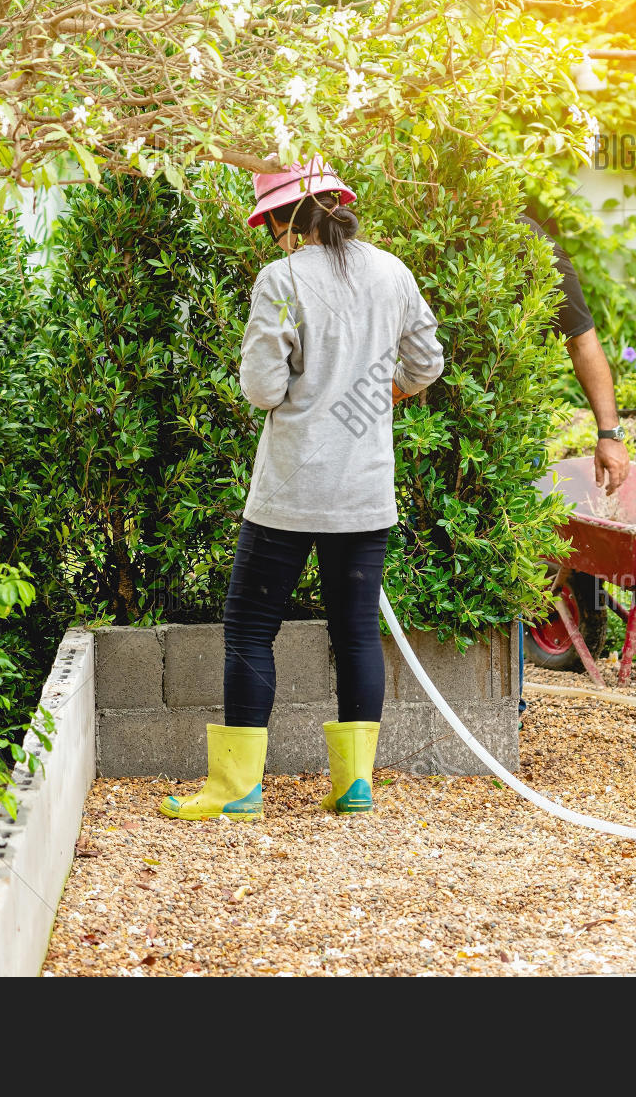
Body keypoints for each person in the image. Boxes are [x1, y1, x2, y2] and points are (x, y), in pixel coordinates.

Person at [160, 158, 444, 823]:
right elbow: (426, 362)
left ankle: (237, 790)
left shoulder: (281, 279)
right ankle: (353, 788)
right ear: (335, 203)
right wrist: (378, 392)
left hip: (290, 487)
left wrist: (300, 390)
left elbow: (262, 389)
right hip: (364, 489)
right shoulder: (394, 273)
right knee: (355, 632)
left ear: (285, 220)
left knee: (250, 628)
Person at [519, 214, 630, 494]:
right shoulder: (423, 229)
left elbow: (582, 342)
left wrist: (610, 434)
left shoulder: (534, 246)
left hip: (513, 427)